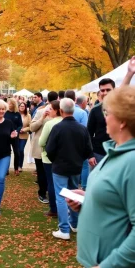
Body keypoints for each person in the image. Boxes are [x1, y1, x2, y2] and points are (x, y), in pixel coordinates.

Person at [67, 84, 135, 268]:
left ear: (122, 121)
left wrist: (110, 265)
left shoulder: (131, 162)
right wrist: (86, 201)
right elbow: (115, 203)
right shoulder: (114, 151)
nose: (104, 118)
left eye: (108, 113)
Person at [46, 98, 93, 240]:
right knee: (74, 194)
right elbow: (88, 149)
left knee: (61, 196)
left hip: (60, 166)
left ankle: (64, 228)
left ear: (61, 111)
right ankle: (75, 223)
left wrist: (55, 160)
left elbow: (49, 149)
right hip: (75, 166)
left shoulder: (58, 128)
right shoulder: (82, 128)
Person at [38, 100, 62, 218]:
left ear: (57, 110)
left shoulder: (50, 124)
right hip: (63, 158)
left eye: (51, 109)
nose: (49, 111)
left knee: (51, 183)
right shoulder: (65, 122)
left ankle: (54, 209)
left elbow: (41, 141)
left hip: (48, 158)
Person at [5, 98, 22, 176]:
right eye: (8, 103)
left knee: (17, 153)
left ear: (14, 104)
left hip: (15, 135)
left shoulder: (17, 114)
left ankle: (16, 168)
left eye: (11, 103)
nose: (9, 105)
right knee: (7, 152)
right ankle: (6, 168)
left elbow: (20, 124)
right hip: (6, 136)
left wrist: (17, 131)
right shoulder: (5, 113)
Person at [18, 102, 31, 172]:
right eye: (21, 106)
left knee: (21, 149)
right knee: (16, 150)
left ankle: (20, 165)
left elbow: (30, 126)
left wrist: (24, 129)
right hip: (17, 135)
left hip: (24, 135)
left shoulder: (28, 115)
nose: (22, 107)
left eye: (23, 106)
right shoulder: (16, 115)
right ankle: (16, 165)